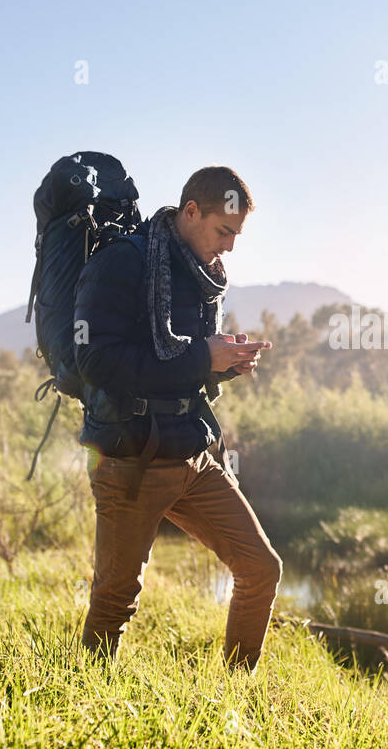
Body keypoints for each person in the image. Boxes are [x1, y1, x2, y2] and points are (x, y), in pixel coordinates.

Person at [72, 165, 280, 671]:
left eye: (237, 235)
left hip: (193, 452)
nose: (229, 246)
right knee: (116, 598)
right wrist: (200, 358)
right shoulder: (122, 262)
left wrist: (222, 364)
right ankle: (80, 699)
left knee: (260, 568)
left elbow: (182, 363)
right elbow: (95, 363)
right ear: (191, 211)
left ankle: (235, 697)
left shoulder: (203, 276)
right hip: (130, 459)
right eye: (223, 230)